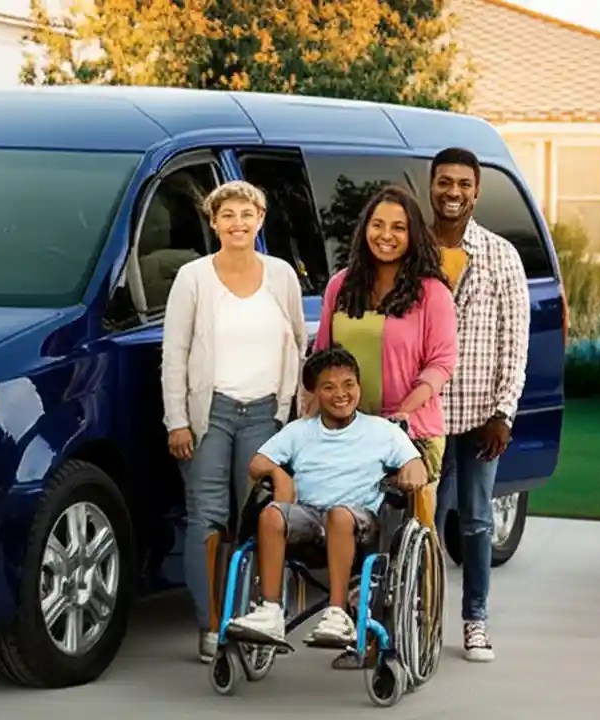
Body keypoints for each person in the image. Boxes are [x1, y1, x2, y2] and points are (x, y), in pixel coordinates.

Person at [161, 180, 308, 663]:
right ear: (213, 222)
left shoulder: (282, 275)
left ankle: (252, 616)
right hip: (211, 415)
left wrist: (292, 413)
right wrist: (177, 420)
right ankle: (210, 625)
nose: (238, 223)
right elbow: (174, 353)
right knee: (207, 518)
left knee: (260, 519)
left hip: (265, 414)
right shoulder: (193, 277)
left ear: (260, 220)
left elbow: (299, 345)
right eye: (228, 216)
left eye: (247, 214)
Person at [227, 347, 427, 646]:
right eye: (329, 387)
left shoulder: (382, 431)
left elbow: (416, 466)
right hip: (310, 521)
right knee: (271, 513)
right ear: (314, 393)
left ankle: (337, 613)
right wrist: (280, 474)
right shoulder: (299, 432)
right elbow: (257, 463)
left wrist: (412, 470)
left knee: (339, 515)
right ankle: (270, 612)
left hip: (360, 523)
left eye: (349, 385)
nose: (341, 394)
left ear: (359, 387)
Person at [428, 147, 531, 663]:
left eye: (463, 184)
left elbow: (515, 342)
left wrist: (503, 413)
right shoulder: (413, 248)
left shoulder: (500, 255)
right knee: (415, 523)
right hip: (423, 415)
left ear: (476, 191)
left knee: (475, 522)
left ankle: (475, 620)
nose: (453, 192)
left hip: (477, 416)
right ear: (431, 186)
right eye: (444, 182)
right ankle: (414, 618)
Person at [308, 184, 458, 532]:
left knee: (404, 525)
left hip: (410, 432)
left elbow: (441, 364)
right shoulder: (341, 286)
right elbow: (322, 356)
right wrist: (309, 417)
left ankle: (420, 581)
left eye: (398, 227)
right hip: (346, 426)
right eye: (378, 225)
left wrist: (404, 411)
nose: (385, 235)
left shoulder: (432, 293)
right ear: (365, 229)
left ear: (413, 235)